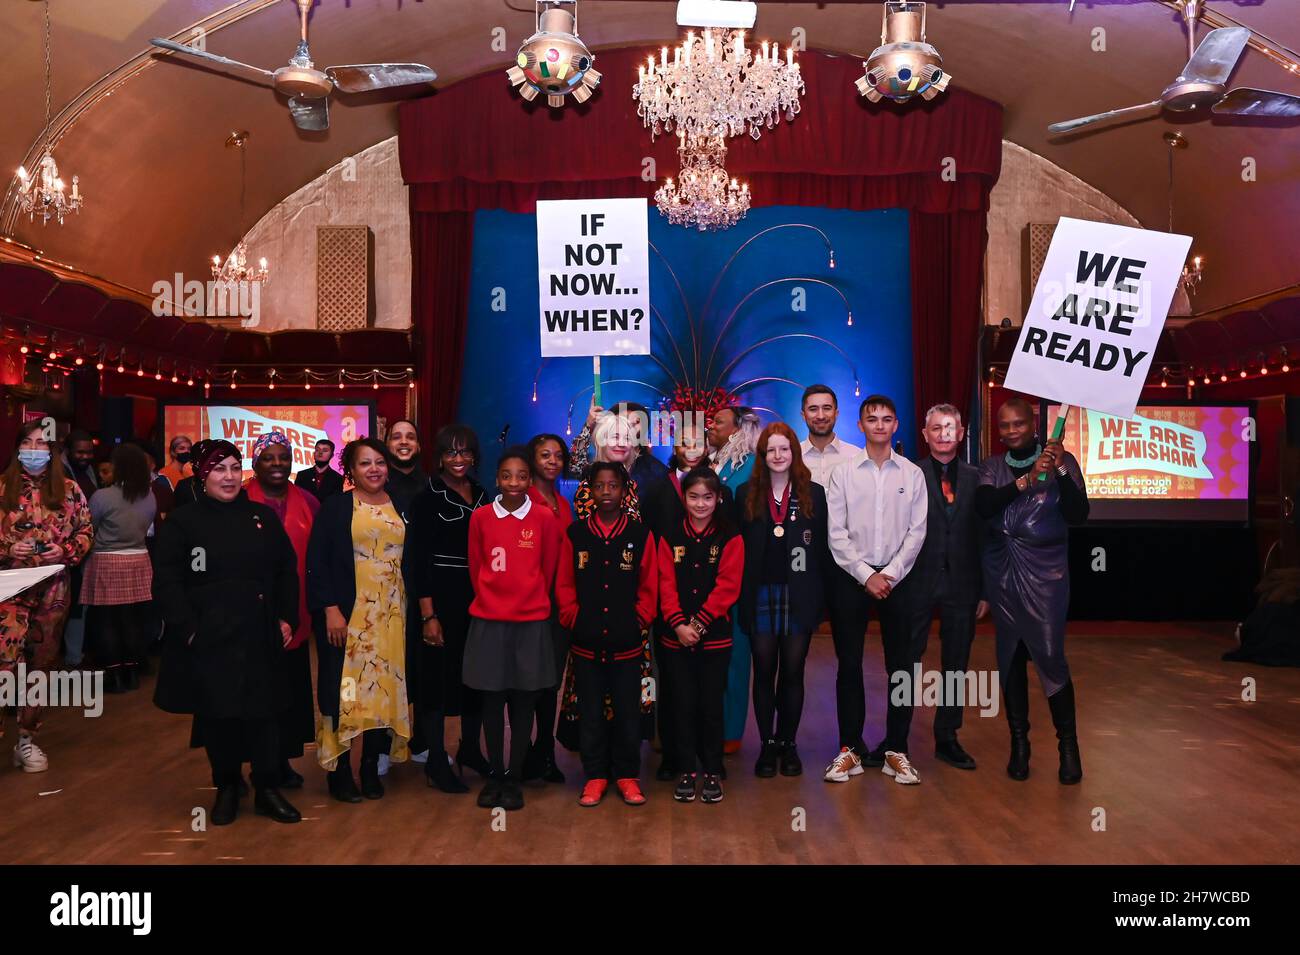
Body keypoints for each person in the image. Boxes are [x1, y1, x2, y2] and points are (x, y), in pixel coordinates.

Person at [151, 439, 301, 825]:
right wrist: (188, 630)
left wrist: (287, 618)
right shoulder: (184, 523)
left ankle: (267, 788)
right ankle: (228, 786)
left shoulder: (261, 518)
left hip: (259, 631)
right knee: (219, 717)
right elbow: (168, 581)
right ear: (202, 475)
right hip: (209, 638)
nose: (230, 477)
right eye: (219, 469)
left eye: (235, 468)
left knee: (264, 715)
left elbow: (286, 569)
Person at [976, 397, 1088, 785]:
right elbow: (984, 506)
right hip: (1003, 574)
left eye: (1018, 424)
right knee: (1010, 658)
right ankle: (1019, 744)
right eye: (1004, 426)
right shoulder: (992, 466)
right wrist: (1024, 481)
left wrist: (1057, 469)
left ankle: (1068, 746)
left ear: (1033, 425)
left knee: (1051, 656)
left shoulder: (1063, 460)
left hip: (1046, 575)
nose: (1010, 432)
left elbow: (1078, 514)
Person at [824, 395, 928, 786]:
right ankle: (850, 748)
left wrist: (891, 574)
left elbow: (918, 532)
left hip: (899, 579)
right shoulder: (843, 473)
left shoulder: (912, 475)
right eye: (872, 419)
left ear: (896, 424)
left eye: (887, 419)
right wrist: (867, 574)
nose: (880, 425)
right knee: (848, 664)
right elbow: (836, 533)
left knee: (901, 667)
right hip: (852, 577)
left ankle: (896, 750)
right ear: (861, 425)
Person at [307, 438, 412, 803]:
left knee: (382, 692)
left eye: (379, 462)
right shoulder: (336, 508)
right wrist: (330, 608)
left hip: (391, 618)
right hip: (349, 619)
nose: (374, 469)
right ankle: (338, 772)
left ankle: (370, 766)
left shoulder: (401, 505)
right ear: (350, 470)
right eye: (364, 463)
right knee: (344, 692)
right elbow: (317, 563)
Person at [463, 446, 560, 812]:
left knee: (523, 702)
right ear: (497, 479)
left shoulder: (544, 518)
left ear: (530, 480)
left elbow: (547, 569)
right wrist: (493, 600)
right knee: (491, 701)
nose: (514, 482)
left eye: (521, 476)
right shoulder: (482, 518)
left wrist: (529, 600)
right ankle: (494, 775)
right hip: (489, 622)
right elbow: (476, 568)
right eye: (507, 475)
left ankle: (514, 776)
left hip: (530, 623)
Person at [555, 461, 657, 807]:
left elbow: (649, 585)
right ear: (590, 491)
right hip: (586, 644)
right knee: (592, 714)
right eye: (600, 486)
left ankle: (628, 775)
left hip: (627, 645)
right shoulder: (576, 534)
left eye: (613, 486)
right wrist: (573, 618)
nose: (607, 493)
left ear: (624, 490)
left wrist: (639, 620)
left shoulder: (640, 535)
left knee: (629, 714)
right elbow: (565, 584)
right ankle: (595, 775)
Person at [735, 423, 830, 778]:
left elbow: (821, 552)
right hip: (759, 594)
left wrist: (820, 602)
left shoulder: (813, 494)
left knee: (792, 671)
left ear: (794, 454)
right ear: (763, 456)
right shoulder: (746, 494)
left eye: (784, 449)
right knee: (763, 671)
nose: (778, 456)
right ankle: (766, 745)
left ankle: (788, 744)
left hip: (798, 595)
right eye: (771, 450)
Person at [0, 422, 94, 773]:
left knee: (41, 668)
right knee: (4, 663)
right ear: (17, 448)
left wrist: (65, 549)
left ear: (53, 451)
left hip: (53, 590)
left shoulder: (70, 490)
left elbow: (86, 531)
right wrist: (10, 546)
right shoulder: (2, 488)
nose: (34, 449)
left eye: (42, 443)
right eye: (27, 442)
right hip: (8, 588)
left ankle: (26, 739)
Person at [640, 414, 727, 782]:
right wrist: (672, 617)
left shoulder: (719, 487)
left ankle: (710, 758)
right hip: (668, 600)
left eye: (699, 442)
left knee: (709, 692)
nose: (692, 449)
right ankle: (673, 754)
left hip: (710, 604)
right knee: (672, 686)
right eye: (685, 442)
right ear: (674, 446)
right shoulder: (658, 486)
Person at [406, 424, 489, 793]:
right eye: (451, 452)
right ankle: (436, 759)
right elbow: (416, 561)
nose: (459, 459)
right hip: (439, 604)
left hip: (481, 604)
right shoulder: (427, 499)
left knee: (475, 679)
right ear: (439, 457)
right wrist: (428, 615)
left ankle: (470, 749)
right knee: (435, 683)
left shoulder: (486, 495)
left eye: (465, 452)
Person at [907, 404, 988, 771]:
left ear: (961, 433)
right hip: (916, 581)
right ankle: (898, 736)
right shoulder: (909, 475)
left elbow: (986, 536)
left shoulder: (978, 478)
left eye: (950, 427)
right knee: (906, 662)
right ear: (925, 434)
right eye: (935, 427)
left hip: (963, 585)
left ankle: (947, 737)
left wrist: (985, 590)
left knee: (956, 663)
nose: (943, 434)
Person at [657, 468, 744, 804]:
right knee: (682, 704)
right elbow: (665, 583)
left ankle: (711, 770)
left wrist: (700, 623)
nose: (701, 503)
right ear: (684, 498)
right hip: (674, 637)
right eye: (693, 496)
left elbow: (728, 586)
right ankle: (686, 771)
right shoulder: (669, 535)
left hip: (714, 639)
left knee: (710, 705)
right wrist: (679, 624)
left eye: (708, 497)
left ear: (718, 498)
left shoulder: (730, 536)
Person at [243, 432, 320, 788]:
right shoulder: (239, 498)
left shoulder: (308, 501)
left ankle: (284, 761)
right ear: (255, 463)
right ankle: (257, 765)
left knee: (290, 693)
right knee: (256, 692)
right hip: (250, 617)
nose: (277, 464)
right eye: (269, 458)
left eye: (283, 457)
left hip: (297, 612)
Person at [707, 405, 761, 755]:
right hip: (706, 570)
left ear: (739, 430)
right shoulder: (714, 462)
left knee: (737, 656)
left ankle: (730, 731)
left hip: (739, 571)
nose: (711, 426)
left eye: (718, 422)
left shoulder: (752, 465)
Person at [83, 443, 156, 693]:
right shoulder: (149, 495)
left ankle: (114, 674)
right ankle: (133, 670)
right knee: (133, 619)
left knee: (107, 621)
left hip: (107, 560)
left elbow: (88, 527)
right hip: (139, 558)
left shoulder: (103, 496)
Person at [524, 432, 573, 784]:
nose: (552, 461)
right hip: (529, 606)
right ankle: (525, 754)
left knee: (550, 683)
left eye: (557, 455)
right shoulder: (520, 500)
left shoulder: (562, 502)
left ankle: (545, 751)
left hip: (559, 607)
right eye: (545, 455)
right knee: (528, 683)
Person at [568, 400, 670, 496]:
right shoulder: (596, 468)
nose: (629, 424)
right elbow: (576, 466)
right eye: (623, 419)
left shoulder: (656, 471)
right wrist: (589, 426)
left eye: (637, 421)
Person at [60, 430, 99, 668]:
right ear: (68, 451)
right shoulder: (62, 475)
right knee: (70, 605)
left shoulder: (88, 471)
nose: (85, 456)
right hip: (64, 550)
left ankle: (74, 656)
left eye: (89, 452)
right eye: (80, 452)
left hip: (83, 547)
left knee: (78, 604)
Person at [799, 385, 862, 487]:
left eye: (827, 408)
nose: (821, 416)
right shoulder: (792, 457)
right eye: (813, 409)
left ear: (836, 413)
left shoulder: (855, 456)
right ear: (803, 415)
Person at [384, 419, 426, 512]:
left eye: (410, 437)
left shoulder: (431, 487)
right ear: (387, 445)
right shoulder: (377, 485)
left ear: (418, 446)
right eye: (396, 437)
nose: (404, 442)